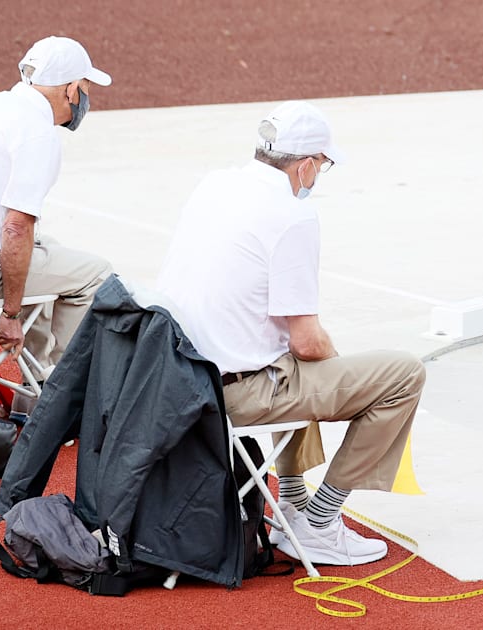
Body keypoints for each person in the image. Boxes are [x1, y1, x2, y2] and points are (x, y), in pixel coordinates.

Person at [156, 101, 426, 566]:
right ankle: (319, 521)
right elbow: (306, 340)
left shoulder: (215, 184)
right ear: (305, 166)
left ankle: (294, 502)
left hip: (179, 376)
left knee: (297, 363)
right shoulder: (292, 215)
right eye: (323, 164)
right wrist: (335, 365)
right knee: (403, 373)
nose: (320, 174)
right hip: (232, 395)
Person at [0, 35, 114, 388]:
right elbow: (15, 230)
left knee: (48, 250)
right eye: (86, 88)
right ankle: (66, 392)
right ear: (71, 90)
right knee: (97, 275)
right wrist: (10, 315)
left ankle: (38, 386)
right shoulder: (37, 134)